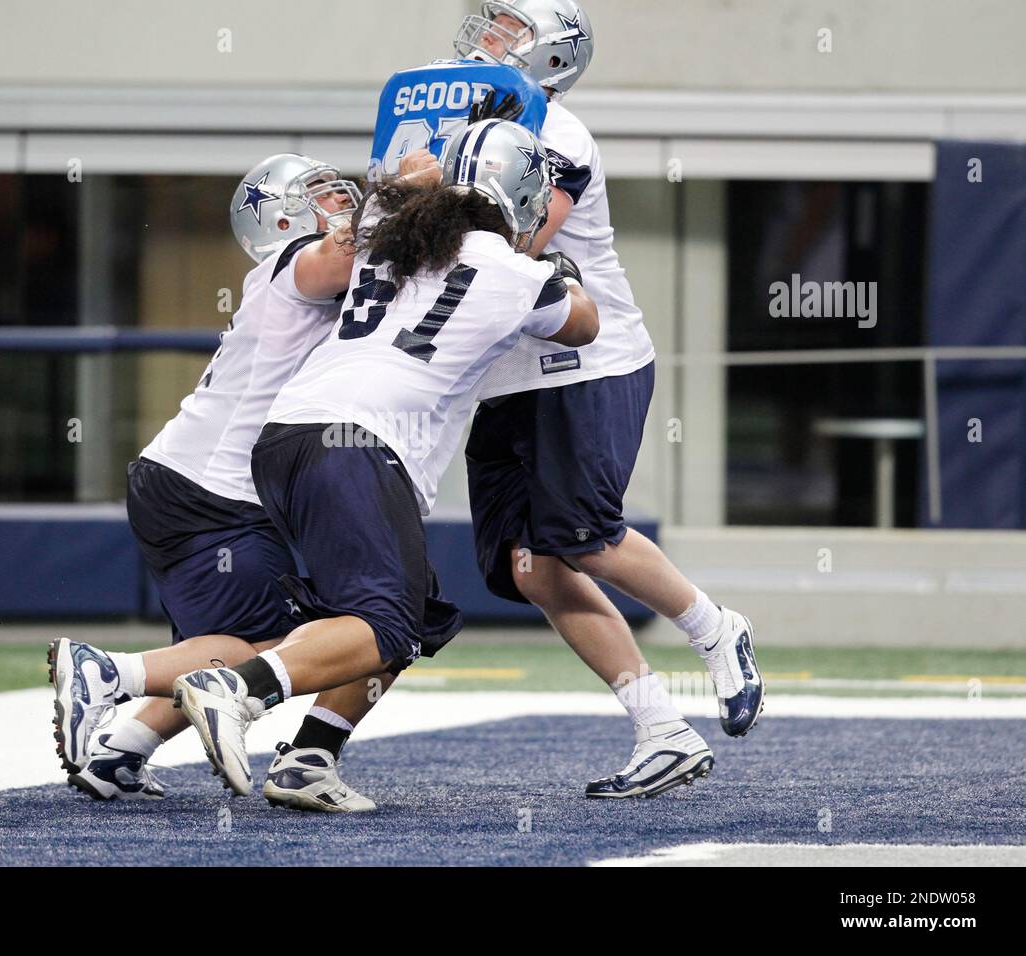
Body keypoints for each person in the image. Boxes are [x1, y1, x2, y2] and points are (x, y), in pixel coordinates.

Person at [173, 120, 601, 800]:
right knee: (382, 626)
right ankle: (235, 688)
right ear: (514, 192)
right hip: (361, 441)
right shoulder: (516, 272)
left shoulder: (384, 230)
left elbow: (405, 177)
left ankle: (310, 759)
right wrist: (561, 271)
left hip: (290, 434)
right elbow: (584, 325)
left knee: (413, 613)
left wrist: (426, 172)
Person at [447, 0, 763, 796]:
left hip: (586, 360)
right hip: (507, 374)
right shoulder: (455, 127)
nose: (486, 41)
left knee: (582, 535)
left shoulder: (555, 132)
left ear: (551, 56)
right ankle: (660, 729)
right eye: (485, 24)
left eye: (506, 31)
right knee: (532, 569)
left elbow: (515, 239)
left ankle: (715, 627)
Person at [48, 152, 377, 804]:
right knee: (294, 643)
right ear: (283, 220)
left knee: (220, 650)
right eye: (322, 197)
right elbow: (339, 258)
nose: (343, 204)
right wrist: (411, 200)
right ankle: (107, 672)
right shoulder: (295, 266)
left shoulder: (308, 279)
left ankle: (121, 752)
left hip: (197, 486)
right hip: (215, 496)